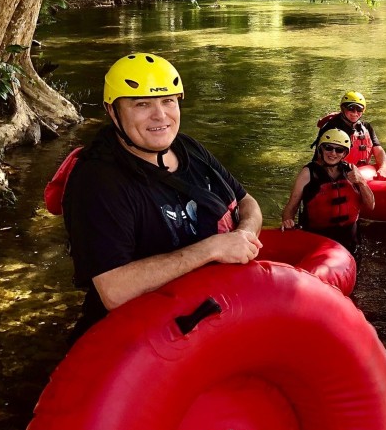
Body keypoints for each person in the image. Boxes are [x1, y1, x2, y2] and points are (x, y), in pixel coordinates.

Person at [61, 53, 263, 342]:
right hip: (139, 345)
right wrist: (211, 249)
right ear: (112, 111)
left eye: (168, 101)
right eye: (142, 104)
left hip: (205, 316)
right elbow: (114, 291)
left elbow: (247, 202)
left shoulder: (189, 148)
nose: (160, 115)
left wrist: (242, 234)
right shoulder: (97, 181)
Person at [281, 128, 375, 254]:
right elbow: (292, 206)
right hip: (318, 239)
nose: (333, 153)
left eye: (339, 149)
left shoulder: (351, 171)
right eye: (328, 148)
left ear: (344, 153)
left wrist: (362, 182)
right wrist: (287, 222)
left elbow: (371, 205)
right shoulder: (308, 173)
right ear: (321, 149)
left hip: (350, 240)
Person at [314, 90, 386, 177]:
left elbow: (378, 150)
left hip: (362, 172)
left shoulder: (366, 127)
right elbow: (323, 157)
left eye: (359, 109)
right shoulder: (332, 128)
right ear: (343, 109)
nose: (355, 113)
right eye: (351, 108)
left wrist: (383, 168)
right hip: (338, 175)